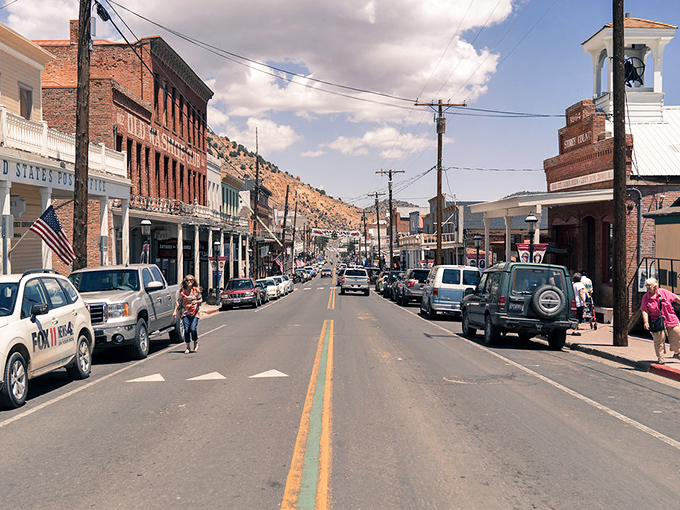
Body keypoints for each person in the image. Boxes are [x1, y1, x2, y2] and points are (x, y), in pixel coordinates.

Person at [640, 277, 680, 365]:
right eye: (646, 285)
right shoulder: (646, 297)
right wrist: (646, 322)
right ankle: (660, 357)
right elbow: (644, 310)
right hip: (656, 320)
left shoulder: (663, 292)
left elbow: (676, 298)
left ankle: (677, 353)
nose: (647, 287)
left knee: (677, 335)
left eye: (649, 285)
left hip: (670, 318)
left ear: (655, 286)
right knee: (659, 340)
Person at [173, 274, 203, 354]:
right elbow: (178, 302)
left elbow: (200, 299)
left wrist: (196, 301)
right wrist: (175, 311)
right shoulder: (182, 291)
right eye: (187, 280)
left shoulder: (196, 290)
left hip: (194, 313)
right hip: (185, 312)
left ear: (193, 281)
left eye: (191, 280)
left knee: (193, 329)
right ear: (185, 282)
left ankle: (195, 342)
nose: (189, 282)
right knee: (186, 329)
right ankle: (188, 346)